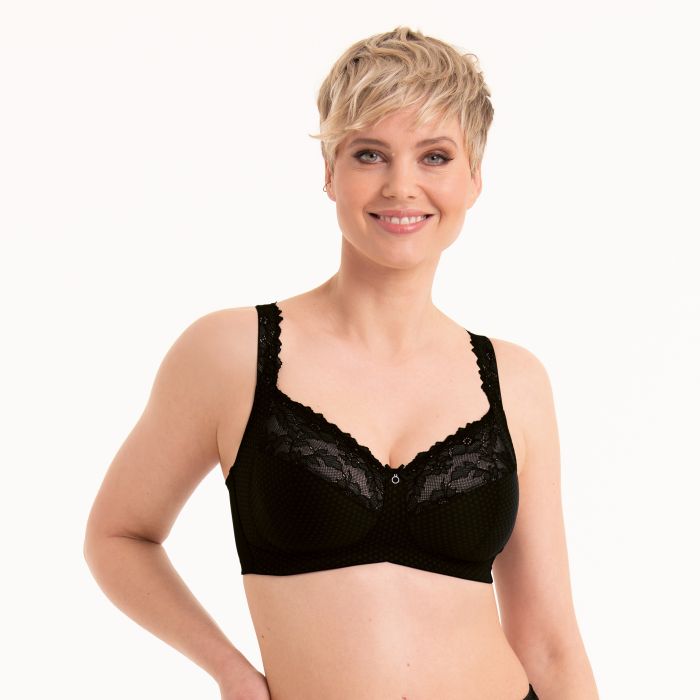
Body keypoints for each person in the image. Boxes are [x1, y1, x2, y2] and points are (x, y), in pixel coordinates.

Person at [83, 26, 598, 700]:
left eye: (435, 156)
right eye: (370, 154)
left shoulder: (516, 380)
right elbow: (118, 536)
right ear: (330, 171)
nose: (402, 186)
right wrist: (231, 672)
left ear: (474, 178)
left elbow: (551, 643)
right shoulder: (230, 354)